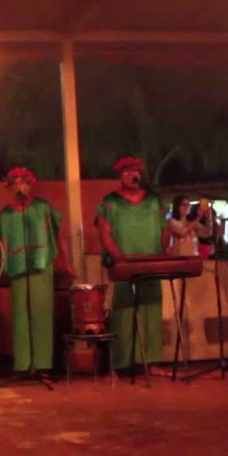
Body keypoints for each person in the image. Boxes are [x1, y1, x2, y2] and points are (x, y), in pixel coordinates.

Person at [0, 166, 75, 382]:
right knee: (20, 315)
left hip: (41, 264)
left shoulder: (43, 207)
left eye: (25, 182)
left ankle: (43, 366)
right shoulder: (6, 214)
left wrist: (67, 263)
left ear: (31, 185)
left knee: (41, 313)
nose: (21, 186)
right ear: (10, 186)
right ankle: (23, 366)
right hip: (17, 267)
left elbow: (59, 235)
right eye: (16, 182)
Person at [96, 157, 169, 376]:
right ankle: (121, 363)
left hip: (151, 262)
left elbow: (166, 228)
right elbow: (104, 232)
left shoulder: (155, 201)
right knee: (124, 311)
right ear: (120, 175)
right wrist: (120, 258)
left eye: (135, 171)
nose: (131, 174)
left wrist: (162, 253)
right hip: (124, 264)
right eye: (127, 171)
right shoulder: (109, 201)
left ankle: (151, 361)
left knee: (151, 309)